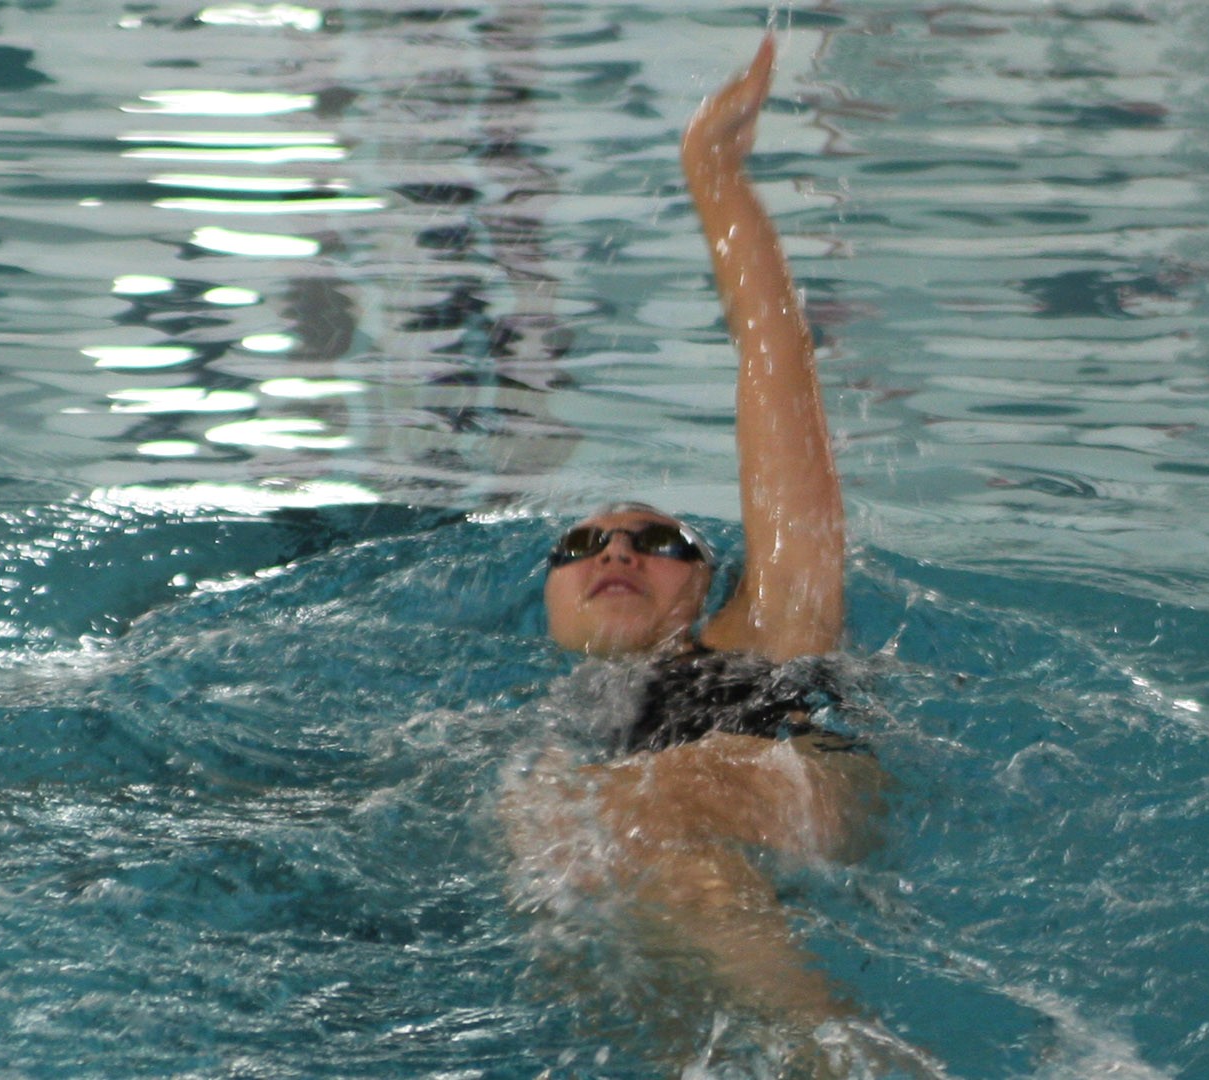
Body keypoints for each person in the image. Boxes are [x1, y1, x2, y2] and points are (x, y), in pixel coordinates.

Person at [503, 36, 910, 1070]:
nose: (617, 550)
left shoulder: (759, 629)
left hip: (787, 777)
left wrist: (716, 180)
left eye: (659, 541)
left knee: (630, 816)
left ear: (709, 579)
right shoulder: (554, 732)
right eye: (582, 543)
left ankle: (844, 1057)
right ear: (547, 602)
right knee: (563, 836)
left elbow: (777, 373)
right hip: (653, 835)